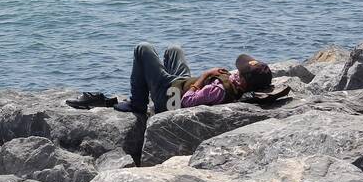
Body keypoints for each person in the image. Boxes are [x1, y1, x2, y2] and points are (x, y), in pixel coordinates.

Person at [113, 44, 273, 114]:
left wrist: (205, 75)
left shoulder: (218, 90)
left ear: (244, 82)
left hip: (171, 99)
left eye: (240, 73)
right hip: (180, 84)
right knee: (174, 50)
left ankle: (138, 104)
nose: (236, 72)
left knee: (143, 49)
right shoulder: (234, 84)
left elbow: (188, 101)